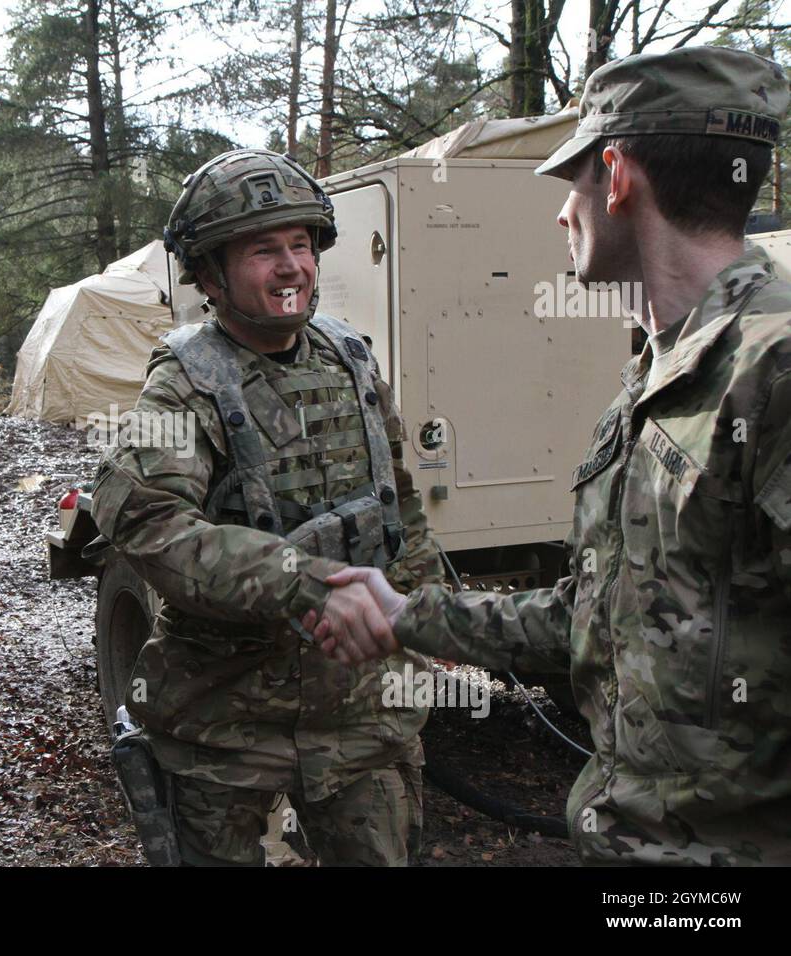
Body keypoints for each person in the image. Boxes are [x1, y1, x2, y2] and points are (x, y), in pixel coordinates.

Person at [313, 46, 791, 866]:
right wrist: (403, 613)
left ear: (616, 177)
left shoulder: (771, 369)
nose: (559, 215)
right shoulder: (664, 369)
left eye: (568, 187)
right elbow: (599, 618)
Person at [90, 149, 444, 866]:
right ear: (211, 275)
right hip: (225, 727)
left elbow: (396, 502)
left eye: (302, 245)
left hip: (360, 721)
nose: (292, 267)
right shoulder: (187, 383)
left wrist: (434, 618)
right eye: (263, 251)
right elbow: (146, 521)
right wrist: (302, 583)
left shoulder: (350, 359)